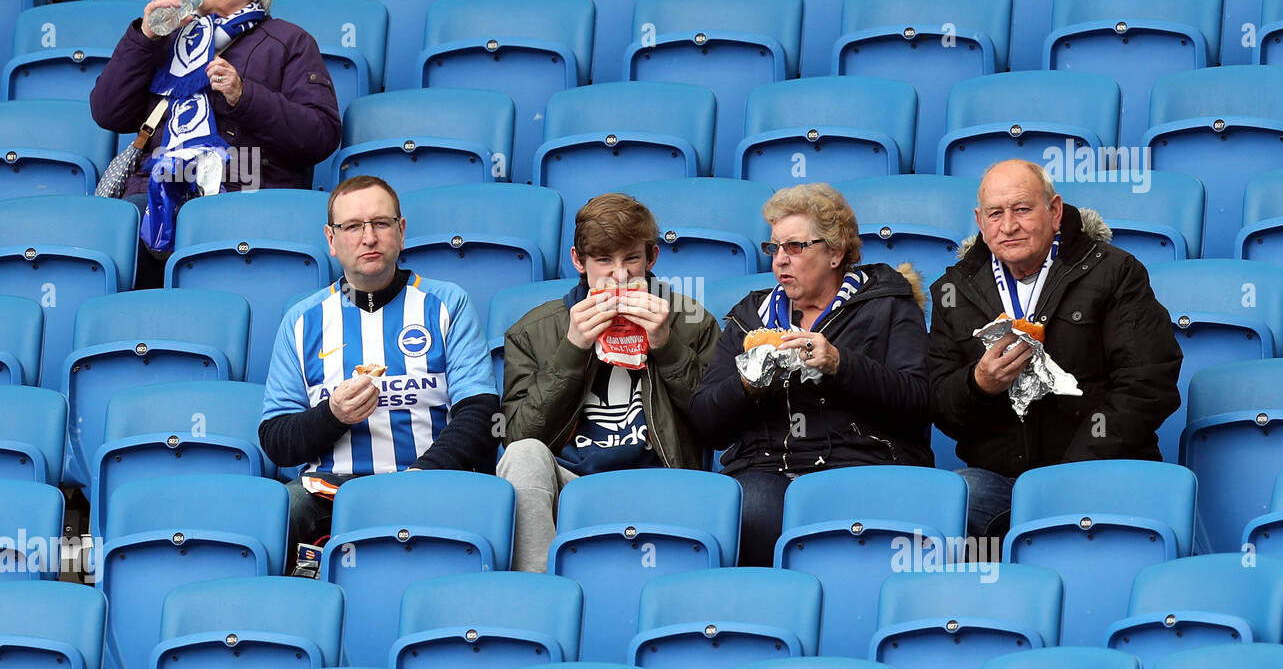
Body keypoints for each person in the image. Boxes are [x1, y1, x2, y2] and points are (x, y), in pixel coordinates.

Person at [928, 159, 1182, 545]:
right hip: (1003, 483)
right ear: (980, 221)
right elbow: (940, 401)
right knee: (951, 502)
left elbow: (1148, 383)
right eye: (995, 213)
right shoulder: (952, 291)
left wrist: (1067, 476)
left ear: (1055, 210)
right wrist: (977, 384)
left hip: (1101, 469)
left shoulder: (1115, 272)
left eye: (1022, 209)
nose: (1008, 225)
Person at [259, 176, 499, 571]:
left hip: (430, 482)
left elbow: (482, 411)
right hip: (330, 494)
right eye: (352, 227)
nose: (368, 237)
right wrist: (332, 416)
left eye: (381, 224)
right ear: (331, 240)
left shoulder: (446, 303)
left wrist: (424, 474)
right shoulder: (302, 320)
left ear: (401, 232)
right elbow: (276, 439)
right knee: (282, 508)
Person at [89, 0, 342, 288]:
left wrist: (244, 96)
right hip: (154, 186)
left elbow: (320, 135)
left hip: (243, 185)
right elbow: (108, 111)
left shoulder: (289, 41)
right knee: (108, 239)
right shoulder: (169, 36)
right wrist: (144, 36)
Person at [691, 183, 933, 567]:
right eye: (774, 248)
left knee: (845, 516)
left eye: (795, 247)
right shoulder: (750, 318)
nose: (779, 261)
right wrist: (746, 387)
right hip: (766, 468)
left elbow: (919, 404)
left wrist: (841, 364)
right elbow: (706, 423)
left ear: (835, 252)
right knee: (748, 510)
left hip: (863, 464)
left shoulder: (887, 305)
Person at [498, 194, 721, 573]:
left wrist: (668, 348)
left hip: (664, 481)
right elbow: (519, 435)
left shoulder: (692, 321)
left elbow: (717, 425)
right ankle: (539, 595)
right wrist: (572, 349)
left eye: (631, 259)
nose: (619, 276)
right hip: (571, 484)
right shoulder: (532, 331)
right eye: (603, 260)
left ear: (651, 258)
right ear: (578, 261)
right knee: (522, 457)